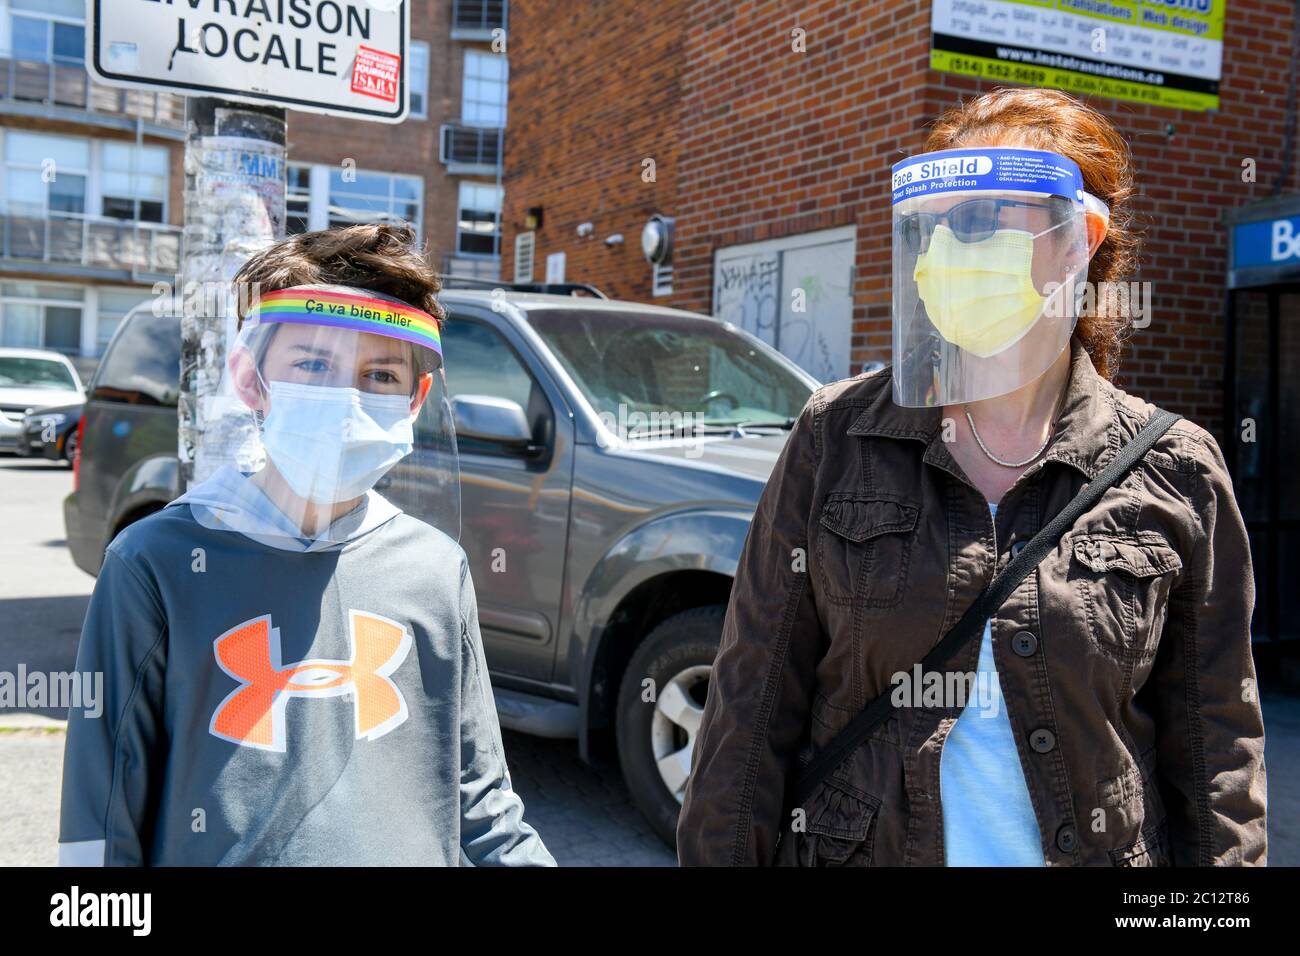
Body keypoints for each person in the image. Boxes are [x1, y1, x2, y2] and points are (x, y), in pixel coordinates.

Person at [677, 88, 1267, 866]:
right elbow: (750, 709)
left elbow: (1216, 744)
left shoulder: (1174, 469)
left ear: (1075, 242)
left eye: (980, 220)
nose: (945, 252)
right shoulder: (838, 436)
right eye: (934, 224)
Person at [58, 223, 554, 866]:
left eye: (380, 374)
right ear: (250, 378)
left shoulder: (433, 568)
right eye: (313, 364)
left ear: (415, 398)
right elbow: (99, 828)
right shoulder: (155, 565)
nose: (346, 398)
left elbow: (481, 803)